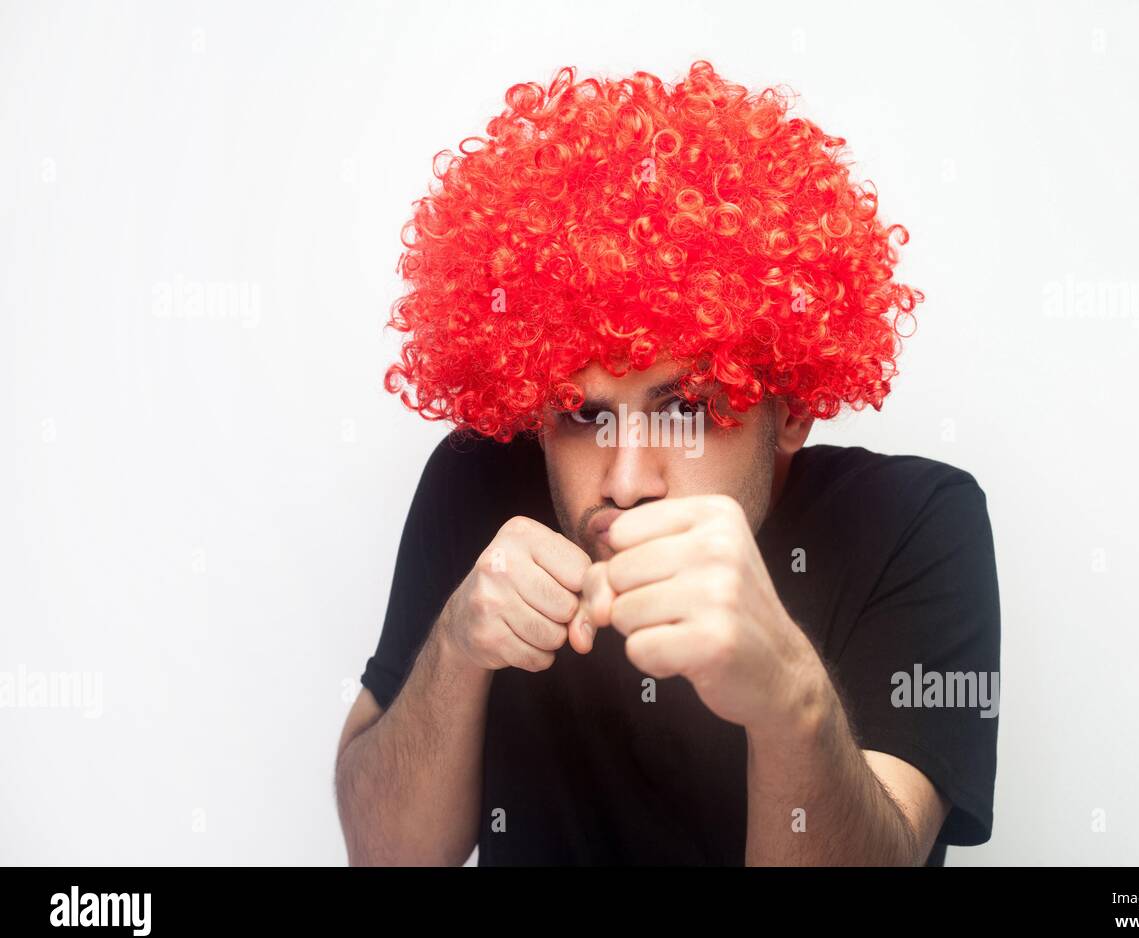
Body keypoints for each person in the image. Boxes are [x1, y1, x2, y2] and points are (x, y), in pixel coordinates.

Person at [334, 61, 1000, 866]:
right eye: (583, 417)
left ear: (788, 410)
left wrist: (791, 701)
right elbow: (383, 853)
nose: (623, 481)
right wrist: (455, 649)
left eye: (684, 409)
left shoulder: (912, 520)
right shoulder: (476, 485)